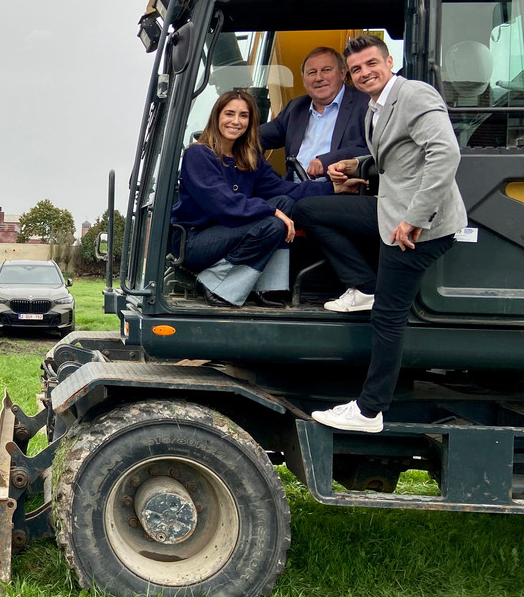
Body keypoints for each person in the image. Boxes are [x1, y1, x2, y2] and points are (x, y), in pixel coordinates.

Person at [300, 34, 467, 433]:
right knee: (311, 208)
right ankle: (363, 285)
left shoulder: (414, 95)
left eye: (371, 64)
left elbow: (445, 154)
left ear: (389, 62)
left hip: (416, 226)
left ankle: (369, 409)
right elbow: (393, 158)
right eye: (356, 69)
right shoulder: (375, 107)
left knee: (389, 318)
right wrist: (355, 167)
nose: (364, 73)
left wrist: (414, 219)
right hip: (391, 209)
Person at [171, 89, 334, 308]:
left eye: (243, 116)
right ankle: (214, 283)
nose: (236, 121)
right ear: (217, 117)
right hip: (194, 241)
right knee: (273, 223)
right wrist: (272, 211)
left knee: (284, 203)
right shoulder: (199, 154)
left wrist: (337, 189)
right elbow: (224, 205)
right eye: (229, 114)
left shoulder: (248, 159)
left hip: (230, 232)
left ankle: (264, 286)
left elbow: (286, 190)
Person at [260, 46, 369, 179]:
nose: (319, 78)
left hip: (338, 191)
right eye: (312, 72)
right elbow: (256, 137)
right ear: (304, 79)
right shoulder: (296, 108)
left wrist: (327, 161)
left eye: (326, 70)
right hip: (294, 190)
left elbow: (374, 151)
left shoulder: (365, 104)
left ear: (342, 72)